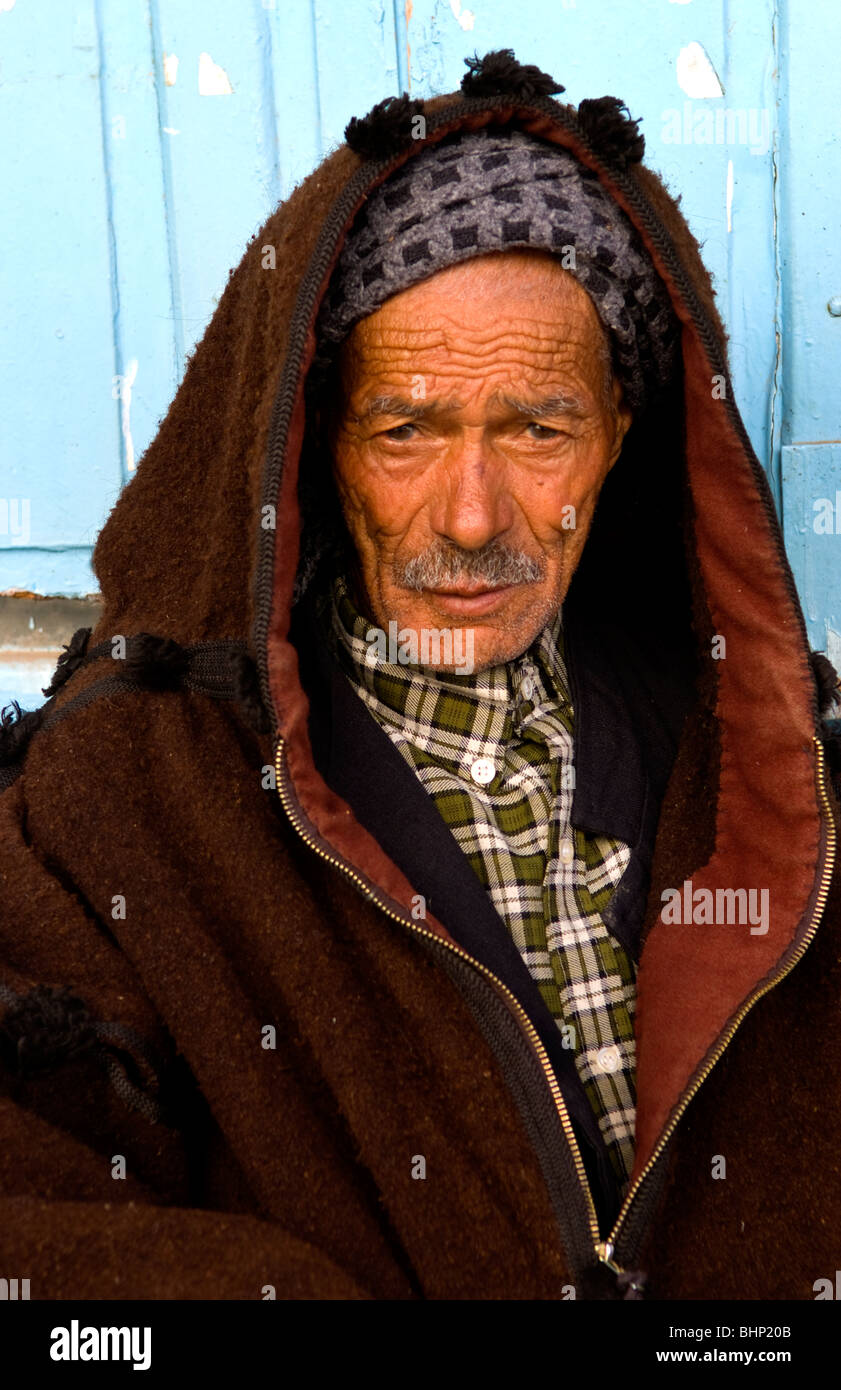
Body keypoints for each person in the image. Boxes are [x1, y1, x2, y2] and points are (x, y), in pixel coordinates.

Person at [1, 49, 839, 1301]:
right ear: (313, 443)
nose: (467, 514)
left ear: (619, 432)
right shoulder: (129, 796)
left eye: (536, 428)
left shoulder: (769, 763)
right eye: (405, 427)